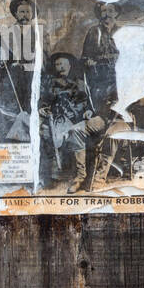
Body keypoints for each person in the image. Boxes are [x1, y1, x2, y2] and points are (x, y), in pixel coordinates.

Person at [39, 52, 109, 193]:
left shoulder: (79, 83)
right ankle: (46, 175)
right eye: (58, 64)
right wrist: (42, 108)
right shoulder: (50, 83)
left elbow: (88, 103)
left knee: (71, 132)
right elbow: (43, 99)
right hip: (55, 118)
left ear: (70, 66)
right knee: (41, 131)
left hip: (74, 119)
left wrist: (88, 111)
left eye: (63, 64)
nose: (61, 67)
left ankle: (78, 175)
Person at [0, 0, 39, 142]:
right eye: (22, 12)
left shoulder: (38, 34)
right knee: (11, 110)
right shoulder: (6, 34)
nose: (25, 15)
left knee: (30, 105)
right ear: (15, 14)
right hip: (12, 77)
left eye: (28, 12)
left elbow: (44, 56)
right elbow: (1, 57)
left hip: (31, 76)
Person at [81, 2, 120, 116]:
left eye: (110, 11)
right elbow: (85, 56)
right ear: (99, 14)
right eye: (104, 11)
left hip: (118, 75)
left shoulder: (123, 31)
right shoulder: (93, 32)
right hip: (99, 77)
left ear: (116, 13)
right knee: (99, 109)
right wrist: (88, 61)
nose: (107, 14)